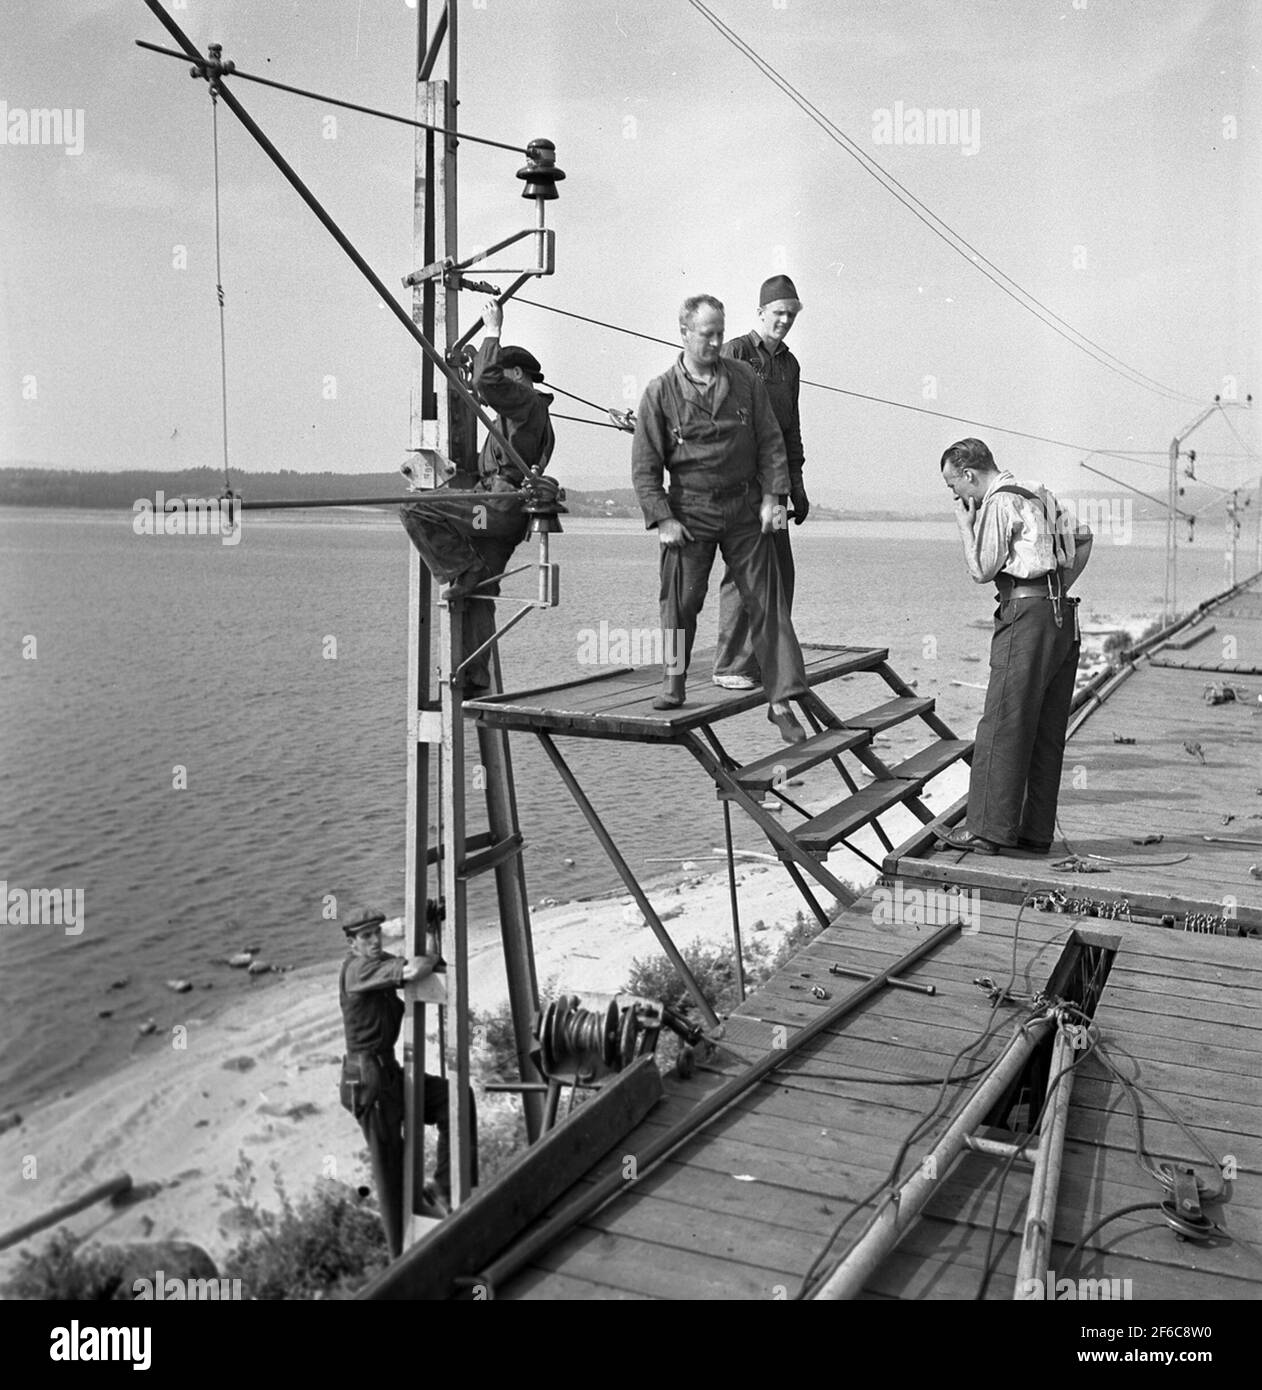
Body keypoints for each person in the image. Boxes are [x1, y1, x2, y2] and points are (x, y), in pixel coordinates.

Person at [631, 293, 810, 743]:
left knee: (767, 601)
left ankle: (781, 701)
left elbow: (771, 441)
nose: (714, 343)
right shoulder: (659, 392)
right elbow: (645, 468)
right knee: (680, 603)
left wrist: (774, 497)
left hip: (745, 508)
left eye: (719, 333)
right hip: (689, 510)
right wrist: (663, 520)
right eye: (706, 335)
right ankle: (674, 684)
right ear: (685, 333)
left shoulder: (745, 378)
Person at [937, 438, 1093, 855]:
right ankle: (1033, 833)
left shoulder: (1000, 503)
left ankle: (986, 831)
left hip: (1025, 617)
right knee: (1045, 727)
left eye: (955, 486)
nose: (957, 496)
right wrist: (1054, 591)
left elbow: (981, 570)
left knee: (1002, 722)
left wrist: (964, 528)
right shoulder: (1038, 491)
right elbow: (1084, 538)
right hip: (1061, 617)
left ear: (969, 474)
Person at [399, 300, 558, 691]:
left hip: (496, 510)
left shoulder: (525, 403)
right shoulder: (524, 415)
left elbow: (488, 382)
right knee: (481, 591)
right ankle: (474, 674)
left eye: (505, 374)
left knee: (415, 507)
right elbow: (484, 387)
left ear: (517, 375)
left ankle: (460, 569)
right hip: (507, 516)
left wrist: (492, 329)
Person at [337, 908, 478, 1255]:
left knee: (455, 1098)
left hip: (390, 1073)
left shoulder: (380, 962)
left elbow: (423, 964)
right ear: (352, 943)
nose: (373, 940)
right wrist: (426, 955)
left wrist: (431, 930)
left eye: (376, 933)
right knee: (392, 1174)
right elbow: (416, 968)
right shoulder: (359, 969)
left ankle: (446, 1188)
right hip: (368, 1081)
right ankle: (402, 1261)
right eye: (365, 936)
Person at [713, 274, 809, 689]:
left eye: (791, 314)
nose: (784, 320)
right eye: (778, 313)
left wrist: (798, 482)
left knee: (780, 574)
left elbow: (791, 428)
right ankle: (730, 666)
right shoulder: (734, 351)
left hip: (776, 484)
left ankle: (762, 657)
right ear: (760, 313)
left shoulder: (789, 364)